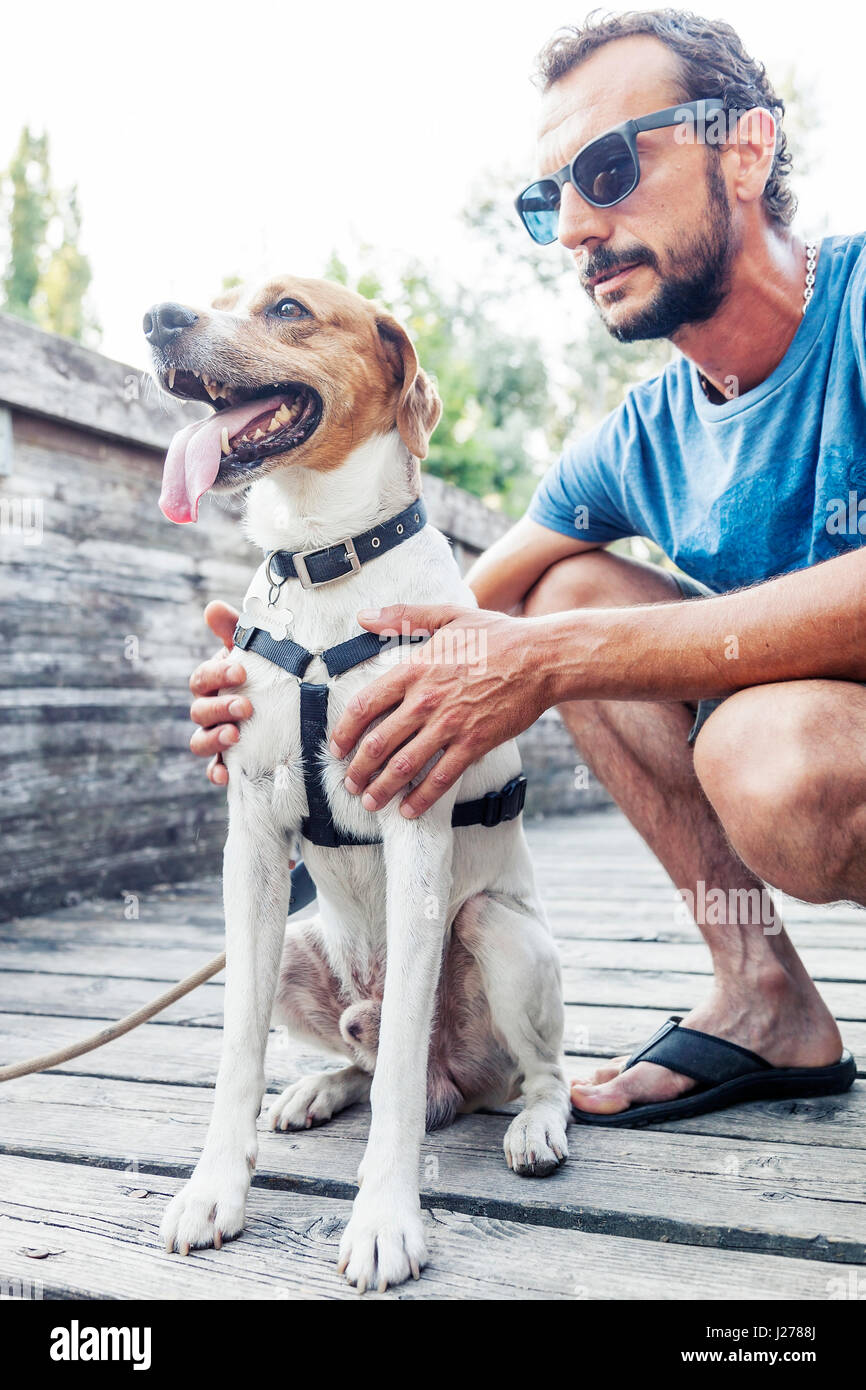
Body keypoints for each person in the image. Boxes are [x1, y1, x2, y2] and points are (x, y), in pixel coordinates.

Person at [185, 10, 865, 1125]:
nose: (576, 229)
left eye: (610, 167)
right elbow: (449, 614)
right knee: (562, 592)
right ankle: (763, 995)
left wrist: (559, 656)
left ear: (743, 150)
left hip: (808, 746)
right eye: (551, 199)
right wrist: (271, 682)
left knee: (757, 749)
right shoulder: (641, 435)